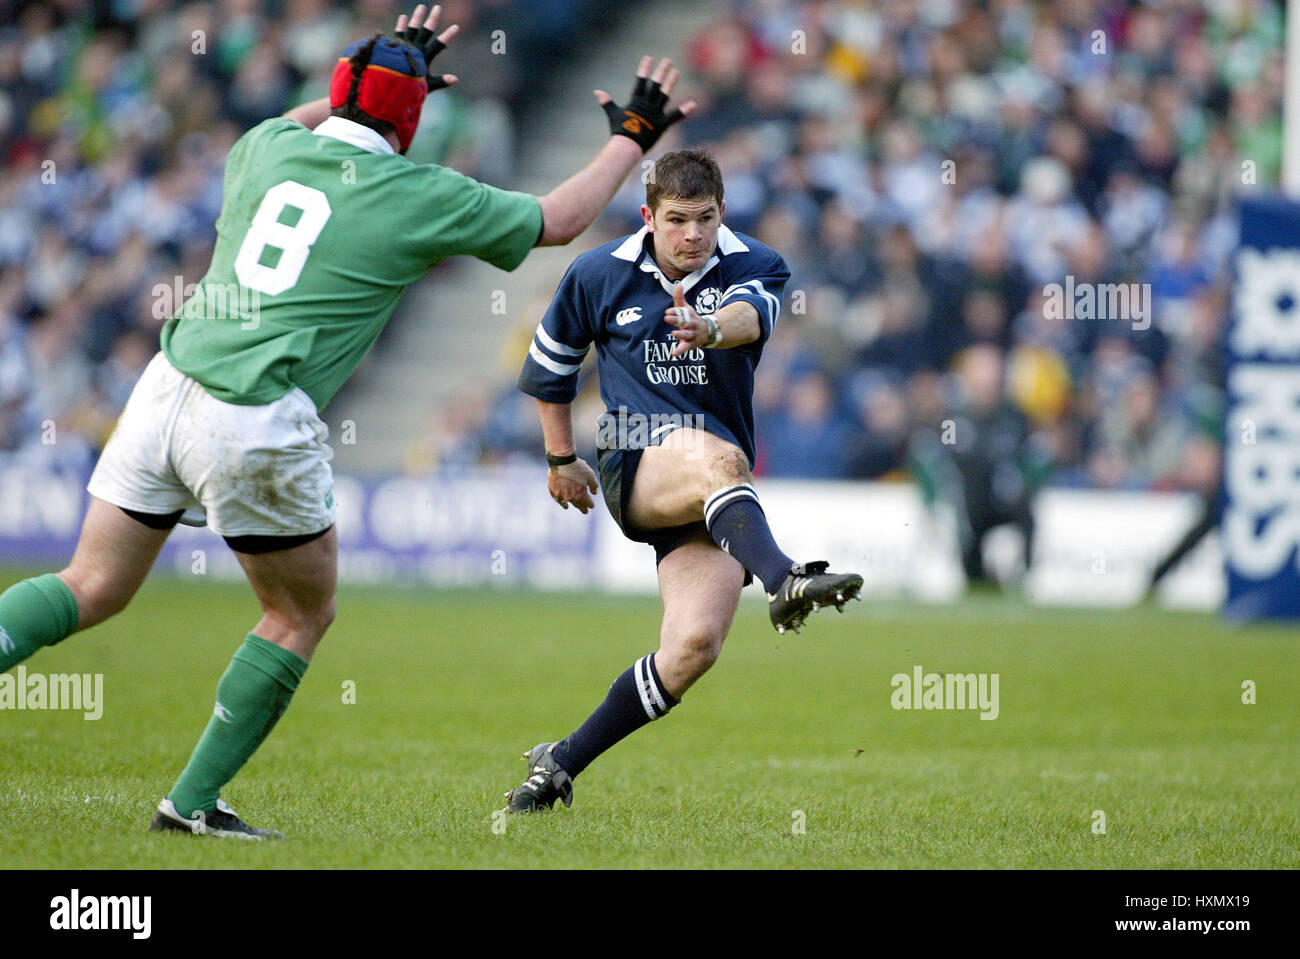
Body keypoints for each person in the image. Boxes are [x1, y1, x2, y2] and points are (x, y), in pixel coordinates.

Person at [0, 3, 696, 839]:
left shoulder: (263, 147)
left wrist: (386, 72)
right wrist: (633, 132)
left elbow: (309, 116)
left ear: (335, 93)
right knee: (299, 614)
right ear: (413, 122)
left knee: (91, 586)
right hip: (251, 414)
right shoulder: (414, 190)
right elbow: (559, 220)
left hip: (167, 384)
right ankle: (188, 807)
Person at [506, 149, 863, 812]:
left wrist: (708, 327)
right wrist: (560, 460)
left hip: (712, 490)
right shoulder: (596, 273)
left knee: (693, 647)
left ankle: (559, 762)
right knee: (720, 459)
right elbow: (549, 367)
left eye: (704, 218)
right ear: (648, 217)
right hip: (633, 457)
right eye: (677, 220)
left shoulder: (755, 262)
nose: (692, 234)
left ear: (721, 213)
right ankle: (785, 580)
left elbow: (750, 316)